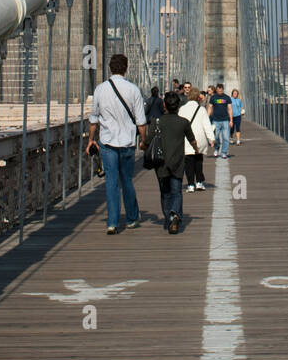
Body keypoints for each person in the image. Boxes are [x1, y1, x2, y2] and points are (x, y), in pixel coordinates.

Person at [86, 53, 146, 234]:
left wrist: (90, 140)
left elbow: (94, 118)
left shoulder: (100, 89)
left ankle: (112, 223)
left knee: (111, 182)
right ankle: (131, 218)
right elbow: (141, 121)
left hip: (107, 143)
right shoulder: (133, 89)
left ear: (110, 68)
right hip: (127, 143)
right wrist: (143, 140)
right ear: (126, 68)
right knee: (127, 180)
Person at [146, 91, 192, 233]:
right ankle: (174, 214)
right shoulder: (183, 122)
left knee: (165, 192)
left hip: (161, 164)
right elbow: (192, 138)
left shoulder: (156, 122)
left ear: (164, 105)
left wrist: (143, 146)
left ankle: (168, 218)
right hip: (177, 162)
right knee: (177, 191)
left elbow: (148, 142)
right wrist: (197, 149)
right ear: (178, 106)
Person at [180, 85, 213, 192]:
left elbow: (179, 125)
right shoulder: (201, 109)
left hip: (187, 140)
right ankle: (199, 182)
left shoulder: (182, 109)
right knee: (198, 161)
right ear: (198, 97)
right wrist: (211, 138)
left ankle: (190, 184)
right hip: (200, 139)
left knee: (188, 163)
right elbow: (206, 125)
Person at [208, 83, 234, 159]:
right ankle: (216, 148)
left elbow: (230, 109)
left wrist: (231, 120)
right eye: (218, 91)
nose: (220, 92)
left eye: (221, 91)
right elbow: (210, 107)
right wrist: (207, 117)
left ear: (223, 90)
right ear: (216, 90)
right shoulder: (213, 98)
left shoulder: (227, 98)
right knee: (215, 137)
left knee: (226, 138)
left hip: (225, 120)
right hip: (215, 120)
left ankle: (224, 152)